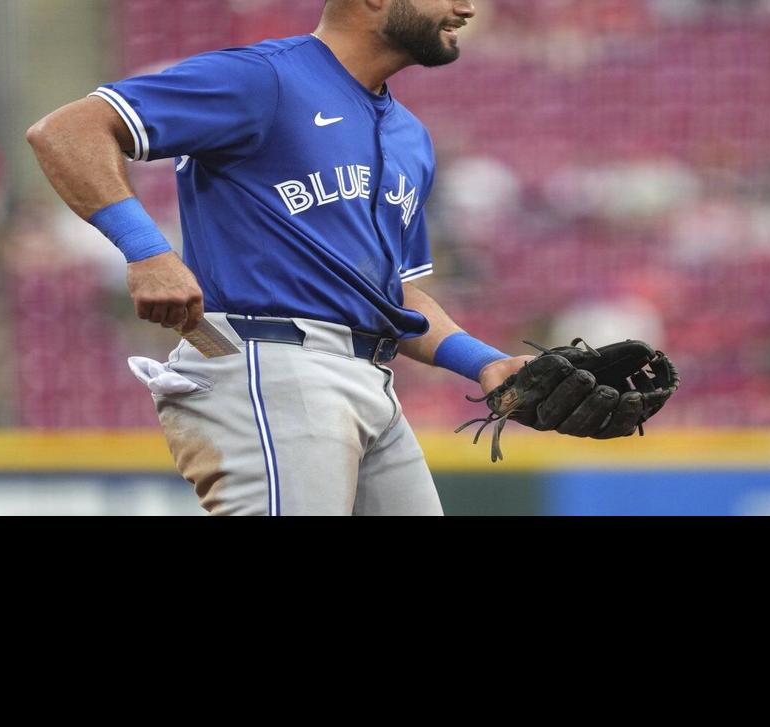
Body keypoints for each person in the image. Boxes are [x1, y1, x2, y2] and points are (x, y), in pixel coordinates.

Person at [26, 0, 532, 515]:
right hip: (269, 362)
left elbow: (388, 295)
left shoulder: (410, 137)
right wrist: (147, 252)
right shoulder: (262, 78)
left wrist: (484, 363)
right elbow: (68, 131)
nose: (467, 7)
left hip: (371, 378)